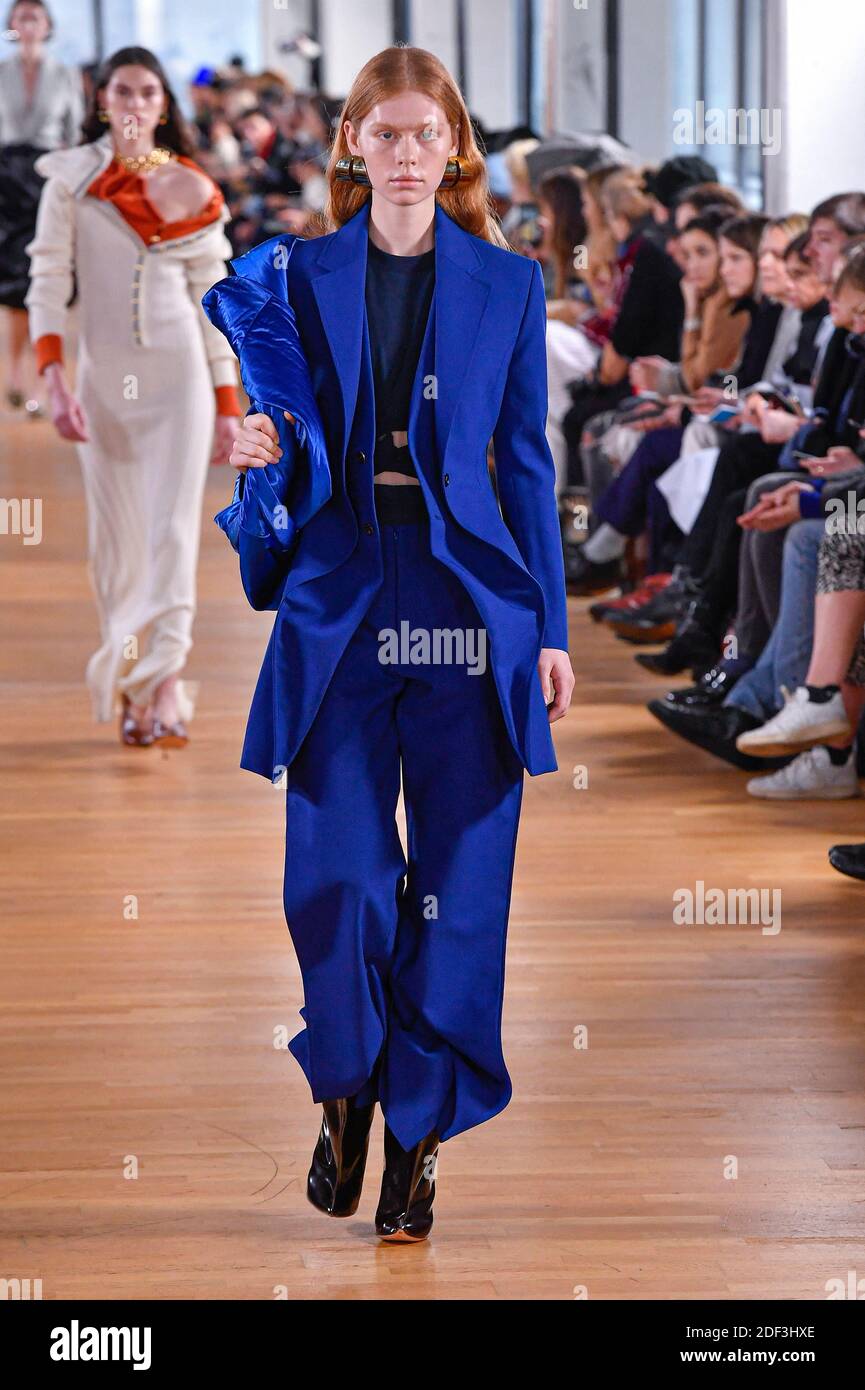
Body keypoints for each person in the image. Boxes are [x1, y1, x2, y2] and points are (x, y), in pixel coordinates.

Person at [210, 44, 574, 1243]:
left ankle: (418, 1134)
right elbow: (281, 429)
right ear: (352, 146)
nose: (409, 153)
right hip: (340, 589)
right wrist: (256, 450)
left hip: (471, 599)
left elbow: (523, 466)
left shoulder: (508, 285)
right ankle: (348, 1084)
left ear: (454, 149)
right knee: (340, 870)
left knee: (461, 885)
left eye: (429, 134)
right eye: (387, 132)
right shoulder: (291, 276)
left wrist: (552, 632)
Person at [25, 47, 240, 745]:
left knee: (172, 532)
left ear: (162, 104)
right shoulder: (69, 181)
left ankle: (164, 685)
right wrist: (52, 376)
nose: (136, 103)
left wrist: (230, 402)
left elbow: (216, 301)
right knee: (117, 543)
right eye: (123, 90)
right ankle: (129, 677)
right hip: (103, 379)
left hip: (180, 377)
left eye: (149, 92)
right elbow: (49, 278)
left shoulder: (191, 185)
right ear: (102, 99)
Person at [0, 0, 83, 412]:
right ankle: (14, 371)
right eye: (21, 16)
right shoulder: (0, 71)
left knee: (46, 277)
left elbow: (76, 134)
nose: (28, 23)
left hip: (48, 180)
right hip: (5, 182)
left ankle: (41, 377)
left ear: (47, 24)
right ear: (11, 24)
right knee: (13, 282)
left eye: (36, 16)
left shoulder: (65, 74)